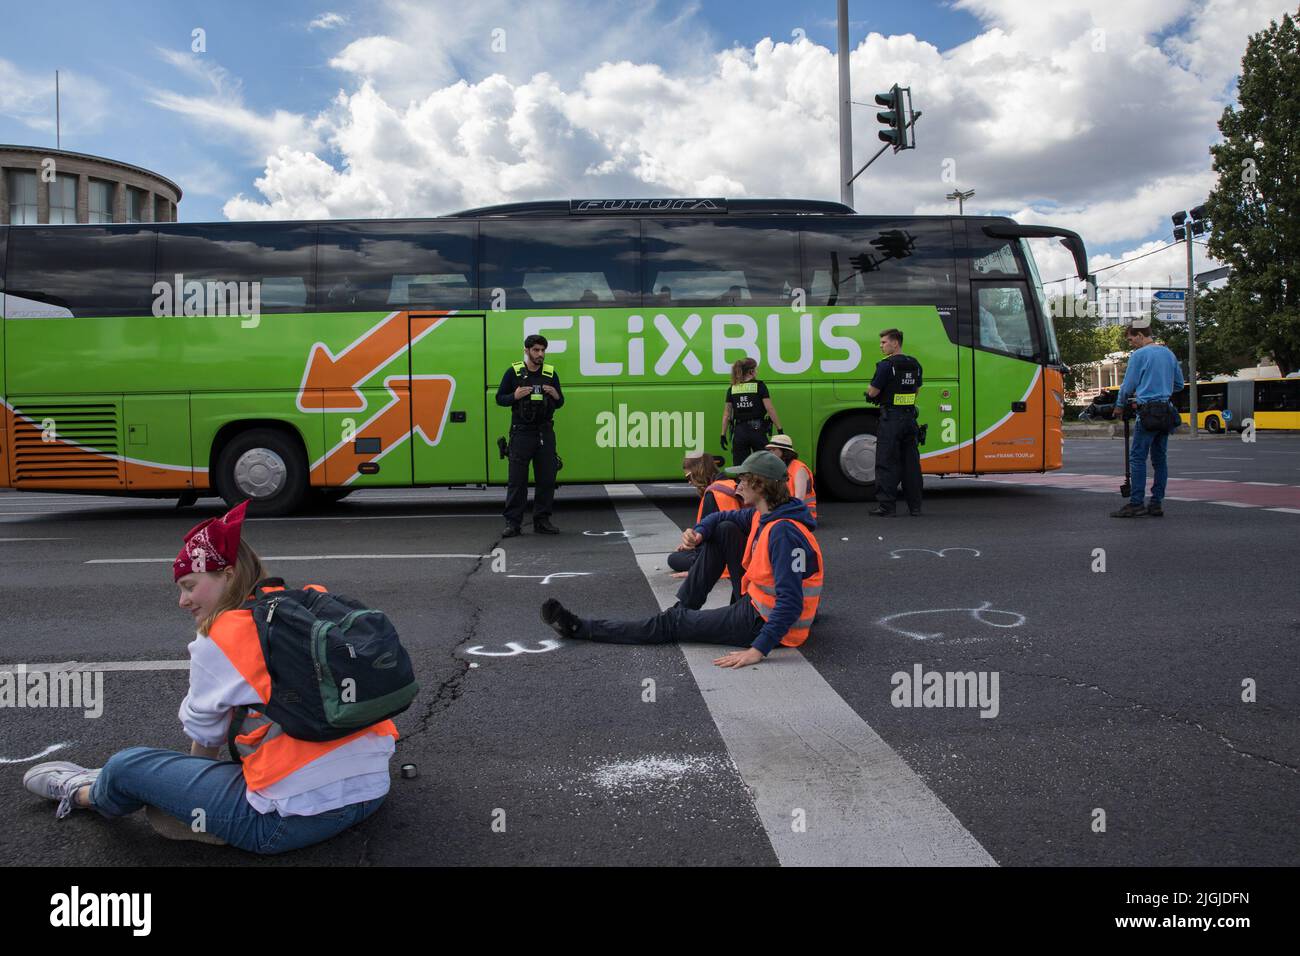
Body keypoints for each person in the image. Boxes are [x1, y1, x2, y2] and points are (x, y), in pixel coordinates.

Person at [22, 501, 397, 854]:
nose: (182, 601)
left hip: (286, 823)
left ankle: (84, 791)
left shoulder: (221, 636)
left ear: (228, 575)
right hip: (372, 791)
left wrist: (184, 793)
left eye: (189, 585)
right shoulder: (300, 606)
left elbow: (205, 738)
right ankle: (128, 783)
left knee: (127, 766)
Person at [540, 450, 822, 670]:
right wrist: (698, 534)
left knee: (672, 625)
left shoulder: (783, 532)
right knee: (723, 529)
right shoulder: (767, 513)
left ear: (759, 485)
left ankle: (580, 628)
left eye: (743, 479)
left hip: (762, 621)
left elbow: (791, 601)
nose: (738, 484)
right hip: (757, 605)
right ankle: (684, 610)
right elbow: (720, 518)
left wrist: (757, 650)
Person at [1110, 317, 1185, 517]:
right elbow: (1179, 384)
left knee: (1137, 458)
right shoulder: (1169, 353)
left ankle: (1136, 503)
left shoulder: (1139, 355)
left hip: (1148, 412)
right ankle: (1156, 503)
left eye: (1131, 339)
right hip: (1166, 411)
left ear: (1140, 335)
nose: (1131, 344)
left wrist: (1119, 406)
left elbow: (1128, 386)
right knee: (1160, 460)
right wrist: (1162, 388)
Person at [497, 334, 564, 536]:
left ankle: (542, 521)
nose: (540, 354)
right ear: (526, 350)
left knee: (546, 479)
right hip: (521, 433)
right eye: (536, 350)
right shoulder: (514, 372)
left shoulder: (551, 373)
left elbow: (560, 402)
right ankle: (513, 524)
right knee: (517, 481)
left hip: (545, 432)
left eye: (543, 350)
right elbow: (500, 398)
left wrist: (555, 395)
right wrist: (514, 396)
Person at [866, 328, 923, 516]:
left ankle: (887, 507)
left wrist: (871, 394)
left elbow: (872, 392)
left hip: (891, 420)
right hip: (909, 419)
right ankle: (915, 507)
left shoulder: (885, 365)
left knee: (886, 463)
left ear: (895, 343)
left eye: (884, 342)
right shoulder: (915, 364)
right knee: (911, 465)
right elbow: (916, 392)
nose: (881, 346)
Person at [668, 450, 742, 577]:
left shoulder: (712, 494)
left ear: (698, 471)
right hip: (738, 551)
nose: (689, 482)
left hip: (722, 560)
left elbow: (710, 537)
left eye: (688, 476)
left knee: (673, 559)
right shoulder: (729, 484)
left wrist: (695, 569)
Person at [720, 357, 784, 466]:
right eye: (756, 369)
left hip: (739, 432)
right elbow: (770, 408)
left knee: (741, 468)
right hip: (757, 430)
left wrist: (723, 434)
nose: (757, 371)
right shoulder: (759, 386)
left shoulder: (733, 388)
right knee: (764, 465)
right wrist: (779, 429)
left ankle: (741, 483)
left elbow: (727, 414)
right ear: (751, 371)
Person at [766, 434, 817, 520]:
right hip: (789, 511)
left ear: (784, 451)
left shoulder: (799, 469)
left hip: (803, 514)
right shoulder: (780, 468)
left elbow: (799, 499)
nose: (770, 453)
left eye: (773, 450)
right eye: (769, 450)